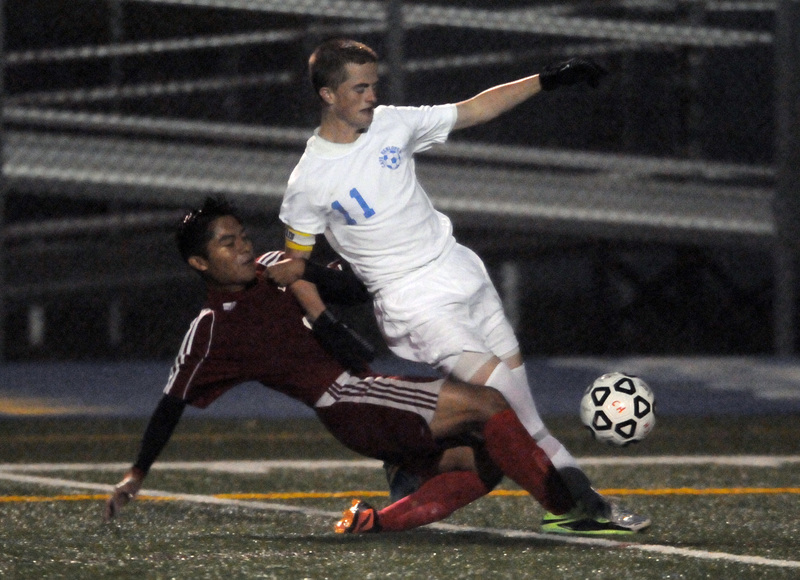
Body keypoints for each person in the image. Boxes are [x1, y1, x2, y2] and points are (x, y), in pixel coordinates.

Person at [104, 196, 648, 536]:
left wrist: (306, 270)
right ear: (201, 263)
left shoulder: (276, 268)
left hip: (367, 392)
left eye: (243, 235)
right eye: (228, 244)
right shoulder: (212, 327)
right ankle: (568, 509)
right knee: (489, 405)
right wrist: (136, 474)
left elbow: (354, 290)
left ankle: (375, 521)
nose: (245, 247)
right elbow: (171, 402)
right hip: (347, 401)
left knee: (486, 461)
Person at [275, 39, 646, 532]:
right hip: (417, 305)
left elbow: (473, 109)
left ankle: (417, 461)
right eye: (359, 87)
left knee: (518, 412)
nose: (371, 96)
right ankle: (582, 509)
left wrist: (548, 79)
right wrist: (326, 326)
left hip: (463, 275)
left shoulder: (392, 123)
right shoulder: (309, 180)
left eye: (374, 84)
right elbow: (294, 266)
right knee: (516, 414)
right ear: (327, 95)